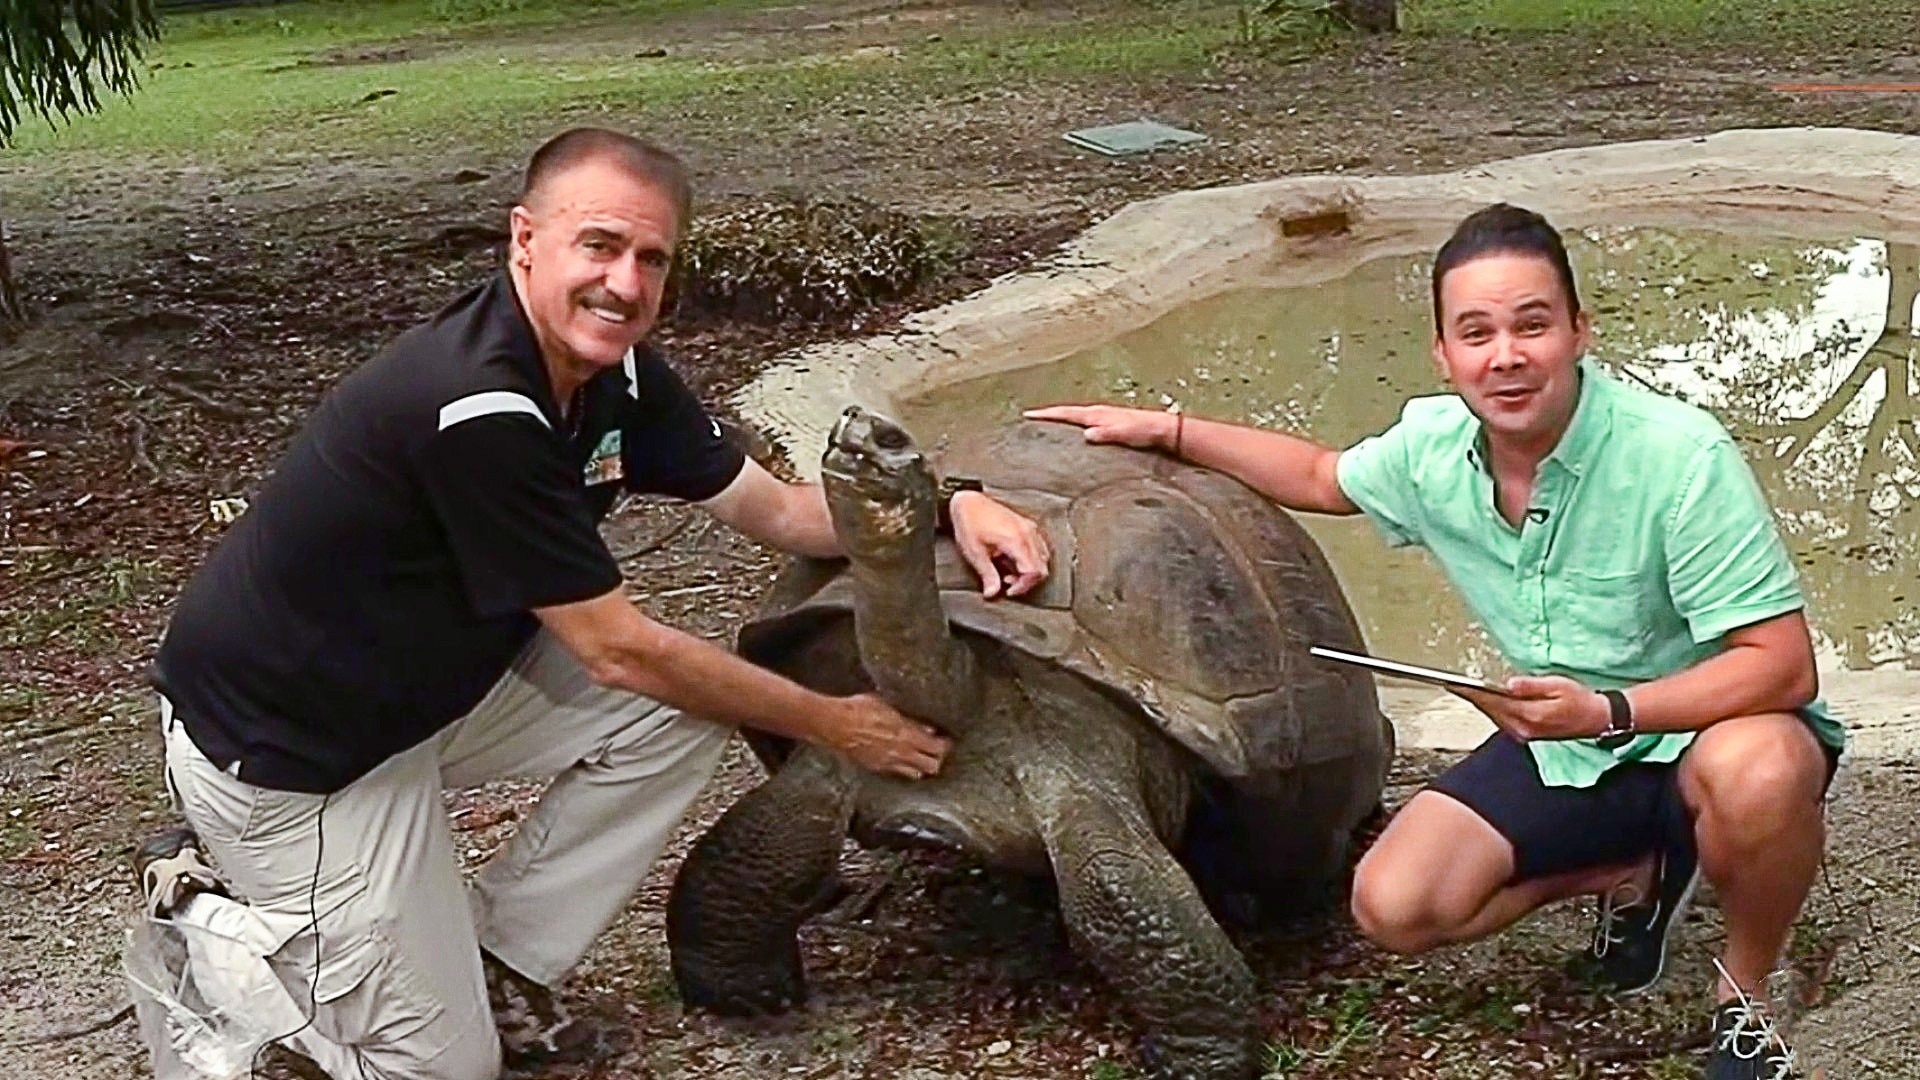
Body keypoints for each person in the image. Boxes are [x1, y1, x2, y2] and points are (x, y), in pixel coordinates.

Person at [135, 127, 1051, 1080]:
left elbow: (779, 512)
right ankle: (213, 923)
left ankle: (498, 964)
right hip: (295, 761)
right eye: (601, 245)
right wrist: (839, 725)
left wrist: (948, 500)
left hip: (422, 696)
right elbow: (616, 651)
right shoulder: (477, 409)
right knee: (442, 1071)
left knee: (682, 711)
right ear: (524, 239)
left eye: (652, 258)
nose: (625, 283)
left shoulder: (616, 375)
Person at [1029, 203, 1845, 1080]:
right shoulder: (1431, 450)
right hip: (1563, 744)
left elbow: (1782, 666)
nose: (1507, 355)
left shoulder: (1679, 457)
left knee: (1760, 774)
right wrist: (1172, 431)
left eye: (1532, 325)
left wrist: (1609, 709)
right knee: (1394, 906)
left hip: (1703, 729)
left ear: (1579, 331)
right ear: (1445, 355)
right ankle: (1634, 868)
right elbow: (1319, 477)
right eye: (1477, 332)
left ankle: (1749, 991)